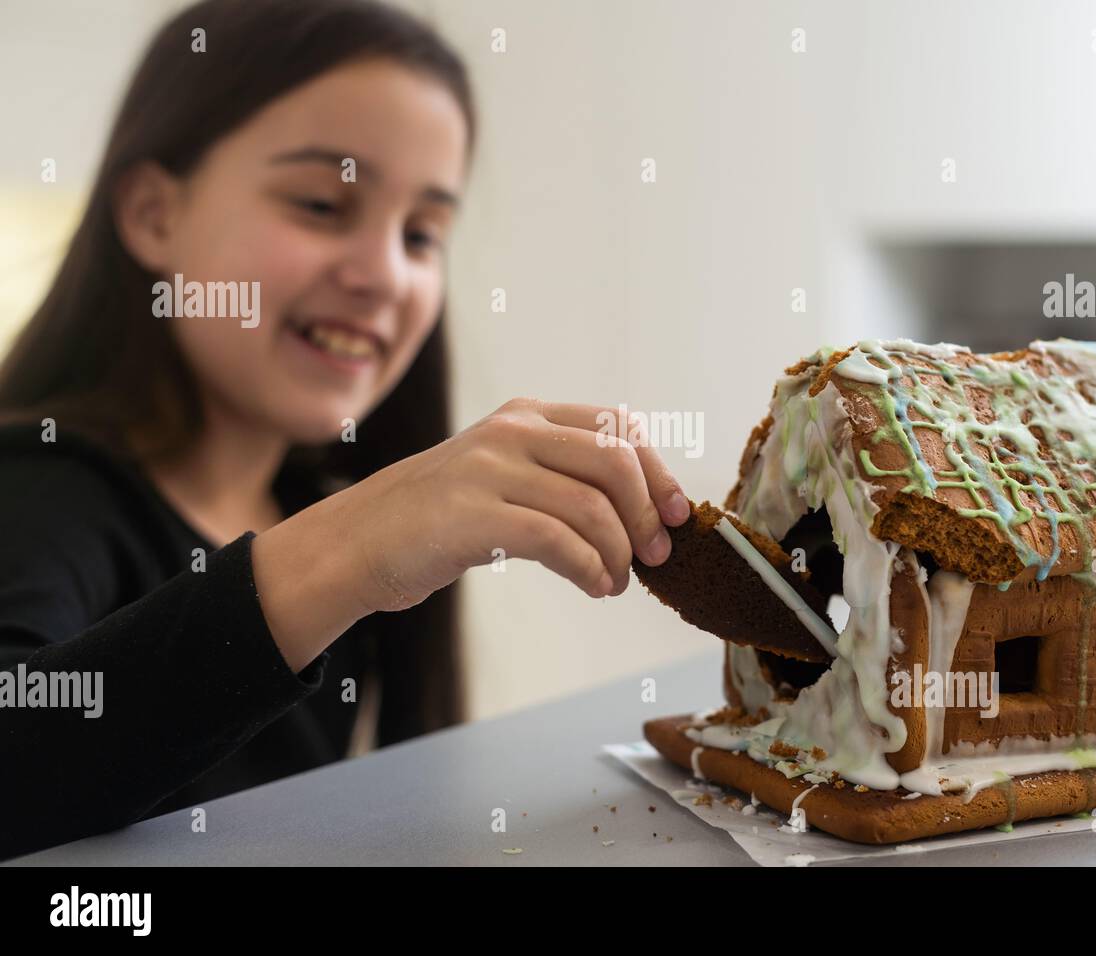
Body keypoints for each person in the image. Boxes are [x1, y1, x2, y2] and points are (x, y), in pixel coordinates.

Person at [0, 0, 687, 860]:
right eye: (323, 204)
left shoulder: (304, 499)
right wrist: (355, 545)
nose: (382, 275)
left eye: (423, 233)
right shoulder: (39, 488)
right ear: (152, 215)